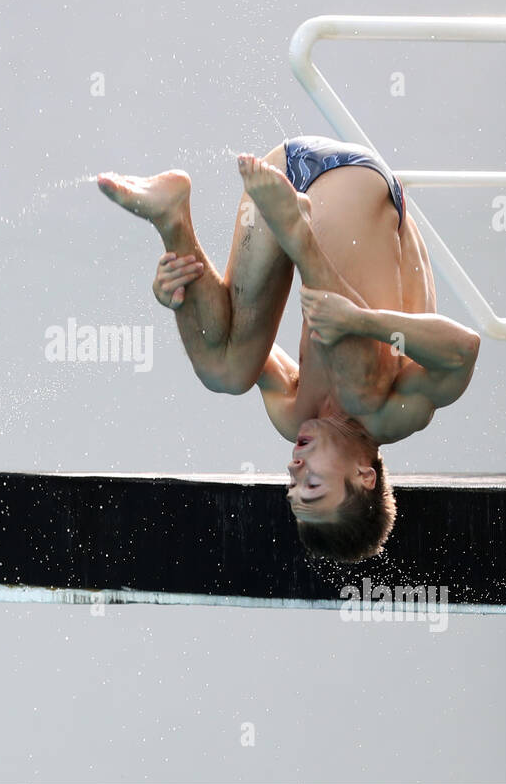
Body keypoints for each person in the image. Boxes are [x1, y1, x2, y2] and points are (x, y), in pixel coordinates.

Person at [98, 136, 480, 562]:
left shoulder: (292, 415)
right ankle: (298, 233)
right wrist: (360, 321)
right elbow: (463, 348)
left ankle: (171, 218)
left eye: (292, 488)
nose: (294, 470)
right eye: (313, 486)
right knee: (362, 395)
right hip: (350, 177)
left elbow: (227, 338)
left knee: (225, 373)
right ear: (365, 476)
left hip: (280, 177)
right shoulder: (398, 412)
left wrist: (179, 296)